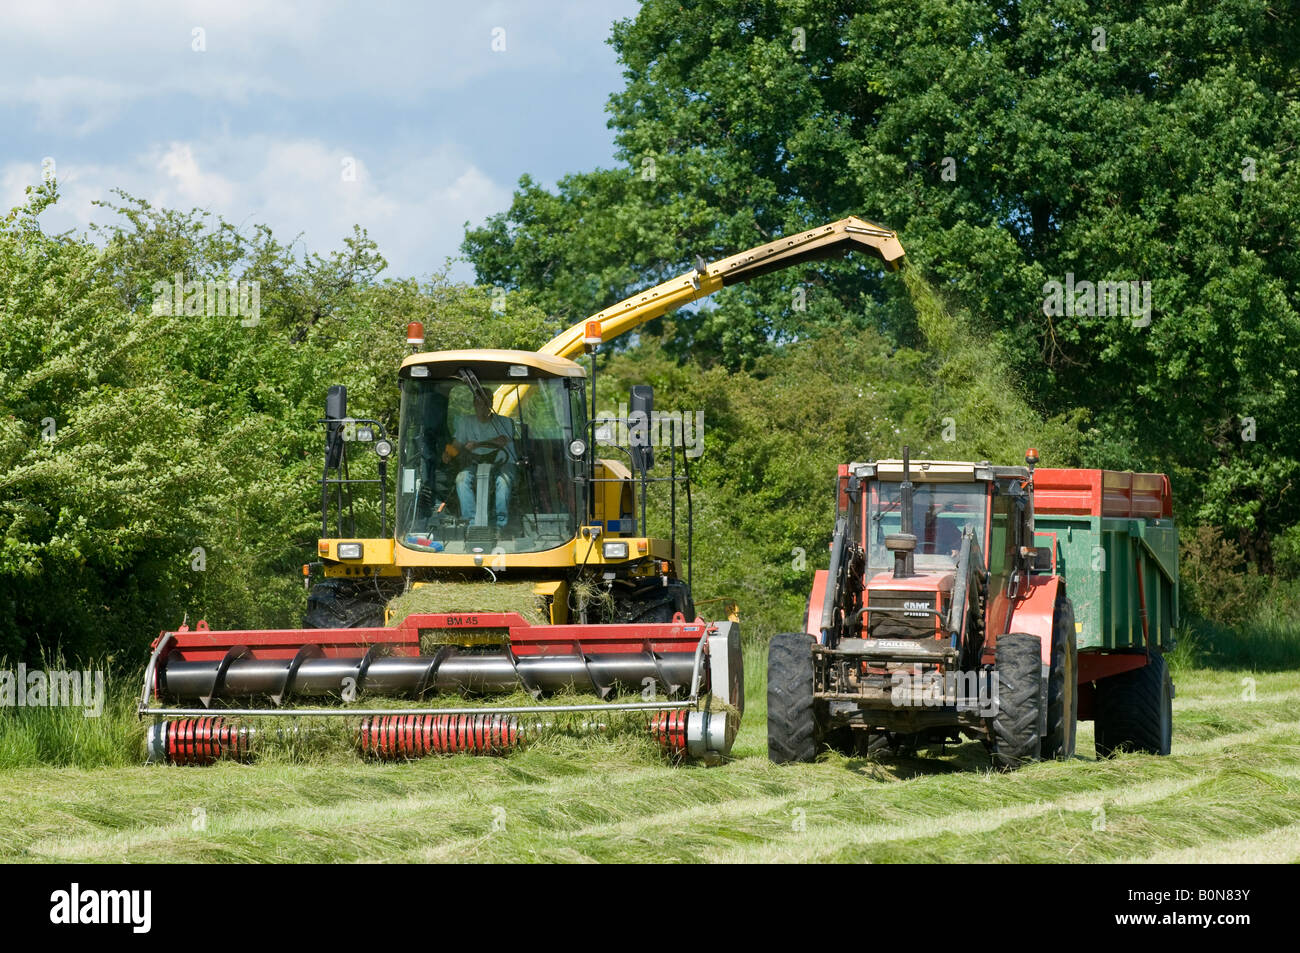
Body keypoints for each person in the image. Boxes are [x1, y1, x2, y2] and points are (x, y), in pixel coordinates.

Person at [445, 391, 516, 528]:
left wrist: (477, 444)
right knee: (461, 479)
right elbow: (457, 444)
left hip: (503, 463)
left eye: (485, 402)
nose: (482, 406)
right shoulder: (466, 422)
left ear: (491, 403)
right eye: (478, 402)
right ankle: (471, 523)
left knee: (503, 481)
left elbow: (501, 440)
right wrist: (448, 453)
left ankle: (501, 525)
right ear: (474, 404)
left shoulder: (505, 422)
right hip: (476, 464)